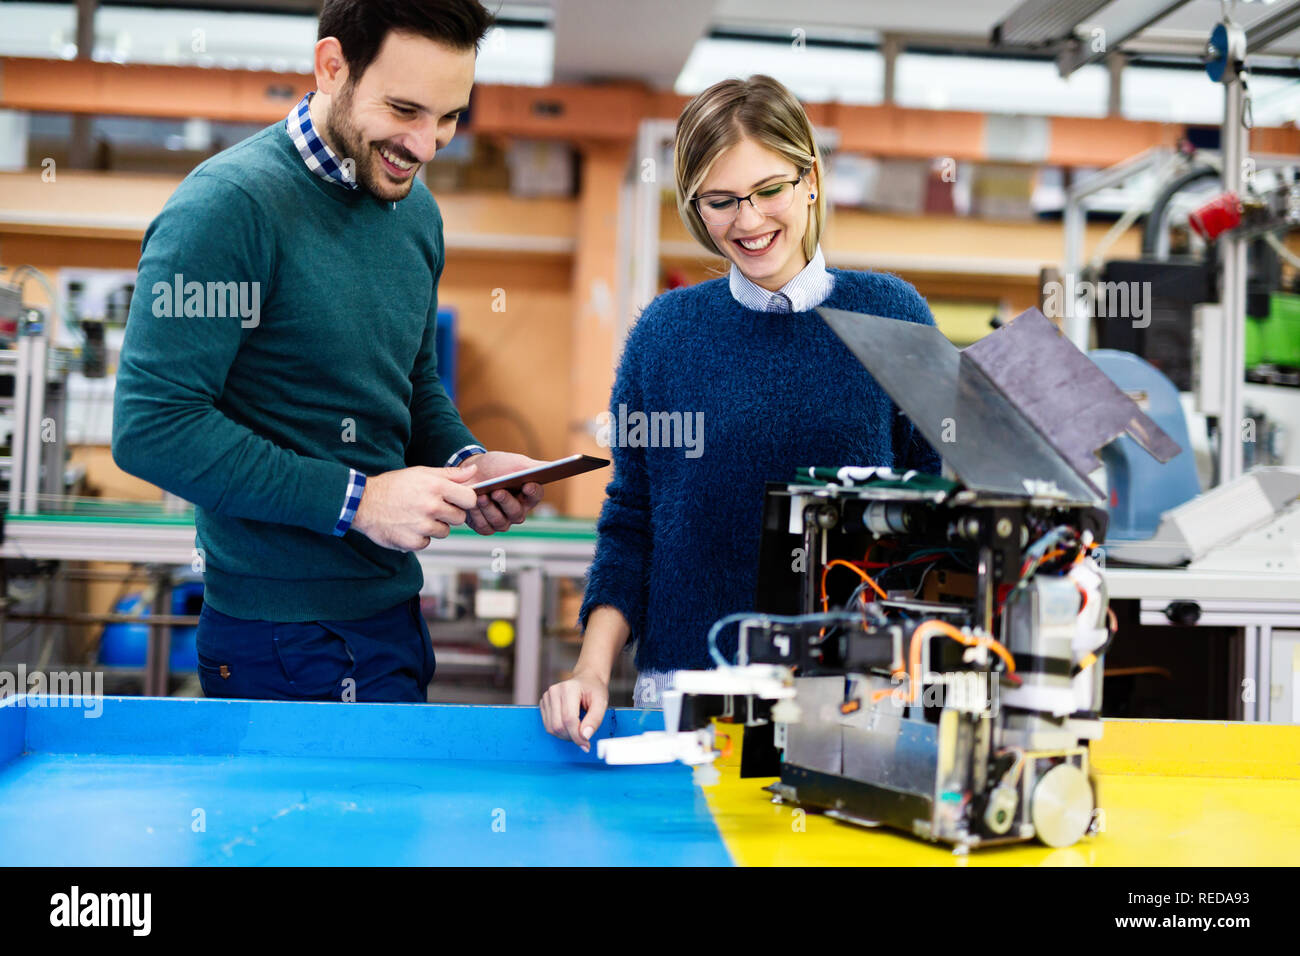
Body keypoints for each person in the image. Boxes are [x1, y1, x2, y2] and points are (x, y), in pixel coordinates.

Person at [113, 0, 544, 703]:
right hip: (278, 633)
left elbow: (410, 381)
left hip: (393, 612)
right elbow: (152, 429)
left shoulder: (414, 212)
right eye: (405, 110)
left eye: (449, 117)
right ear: (331, 66)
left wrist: (469, 463)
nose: (427, 144)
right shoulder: (227, 209)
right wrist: (360, 501)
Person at [540, 74, 942, 750]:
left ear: (810, 177)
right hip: (690, 696)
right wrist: (590, 667)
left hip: (855, 696)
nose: (749, 222)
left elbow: (945, 508)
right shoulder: (666, 335)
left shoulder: (892, 316)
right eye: (721, 201)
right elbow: (632, 520)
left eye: (768, 190)